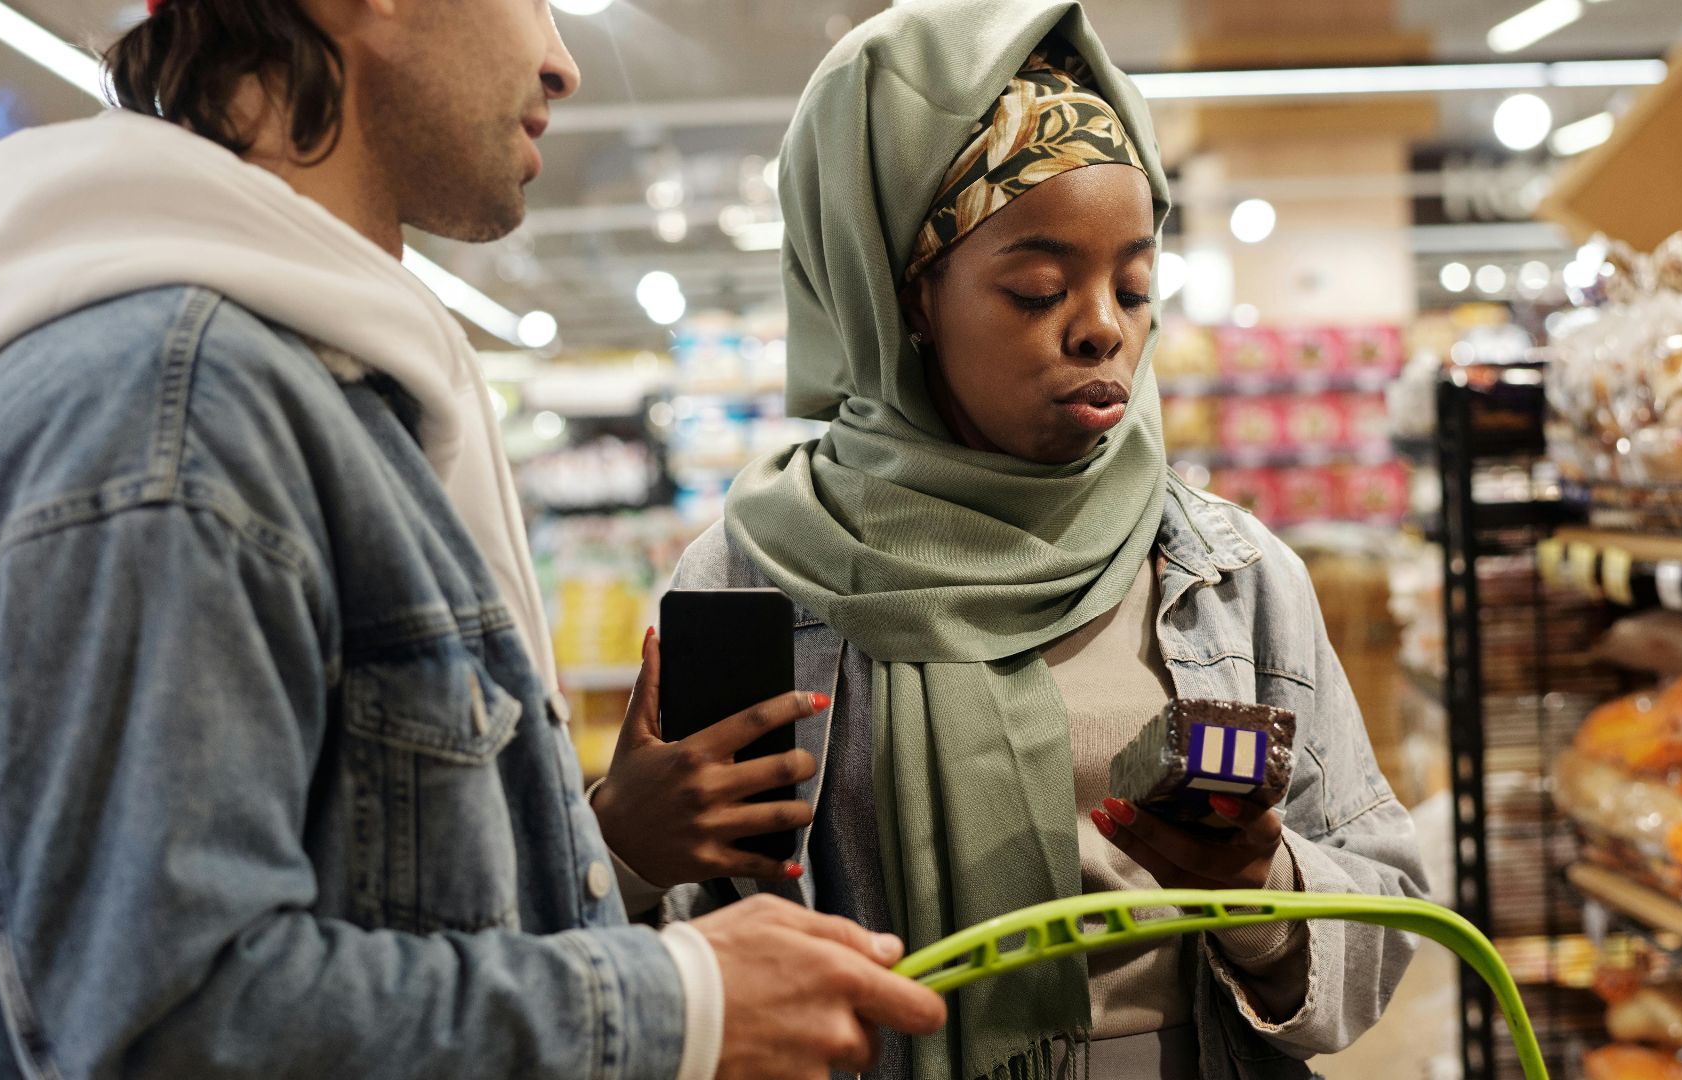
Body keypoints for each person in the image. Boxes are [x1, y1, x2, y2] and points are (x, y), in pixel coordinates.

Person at [0, 2, 942, 1078]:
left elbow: (370, 895)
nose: (563, 64)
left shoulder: (312, 386)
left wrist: (598, 854)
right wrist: (679, 1005)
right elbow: (166, 1024)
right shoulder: (181, 411)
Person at [591, 1, 1429, 1078]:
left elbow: (1389, 911)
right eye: (1039, 289)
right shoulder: (757, 575)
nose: (1103, 328)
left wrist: (1269, 897)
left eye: (1134, 285)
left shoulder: (1232, 572)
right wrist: (622, 850)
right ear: (909, 297)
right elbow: (672, 989)